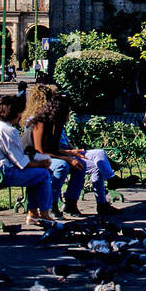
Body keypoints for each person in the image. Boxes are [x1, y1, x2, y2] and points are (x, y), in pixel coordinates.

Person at [22, 83, 119, 216]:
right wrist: (68, 158)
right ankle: (52, 204)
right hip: (34, 158)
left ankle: (71, 203)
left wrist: (71, 153)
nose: (70, 114)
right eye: (68, 111)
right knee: (62, 165)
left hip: (50, 155)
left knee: (82, 164)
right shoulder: (40, 122)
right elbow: (41, 152)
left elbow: (54, 149)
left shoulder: (56, 124)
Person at [0, 96, 54, 224]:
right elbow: (21, 162)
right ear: (13, 113)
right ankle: (43, 213)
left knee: (35, 176)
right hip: (0, 172)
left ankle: (33, 214)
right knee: (43, 174)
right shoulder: (8, 130)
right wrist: (42, 163)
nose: (20, 115)